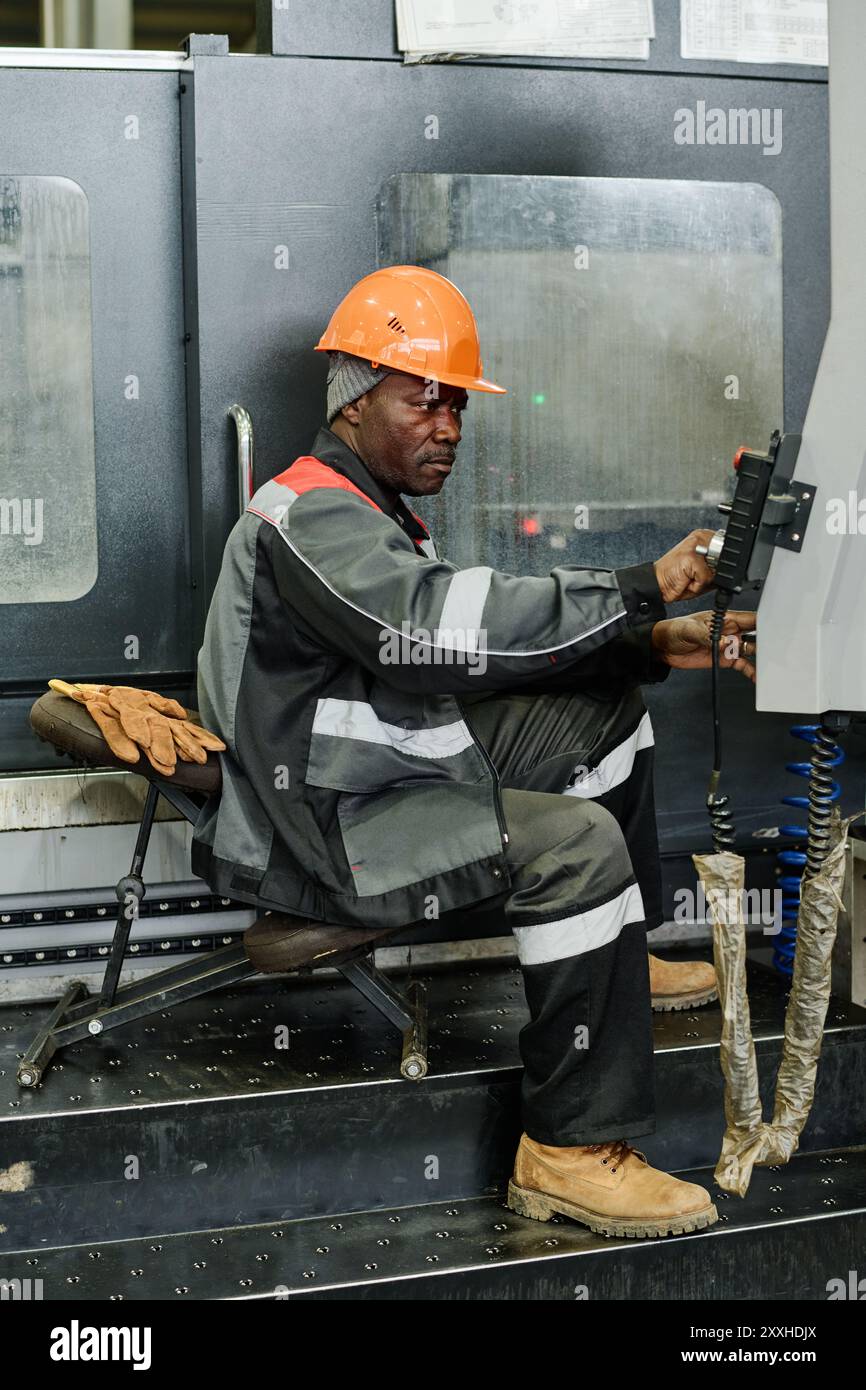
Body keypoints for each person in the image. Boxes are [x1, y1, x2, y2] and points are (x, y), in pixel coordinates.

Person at [193, 265, 756, 1239]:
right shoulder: (310, 513)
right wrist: (638, 589)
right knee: (573, 843)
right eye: (424, 400)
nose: (448, 424)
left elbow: (440, 657)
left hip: (363, 775)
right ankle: (569, 1152)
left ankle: (615, 949)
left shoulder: (360, 507)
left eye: (456, 403)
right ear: (356, 398)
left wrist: (644, 642)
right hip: (324, 829)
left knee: (602, 708)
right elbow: (435, 625)